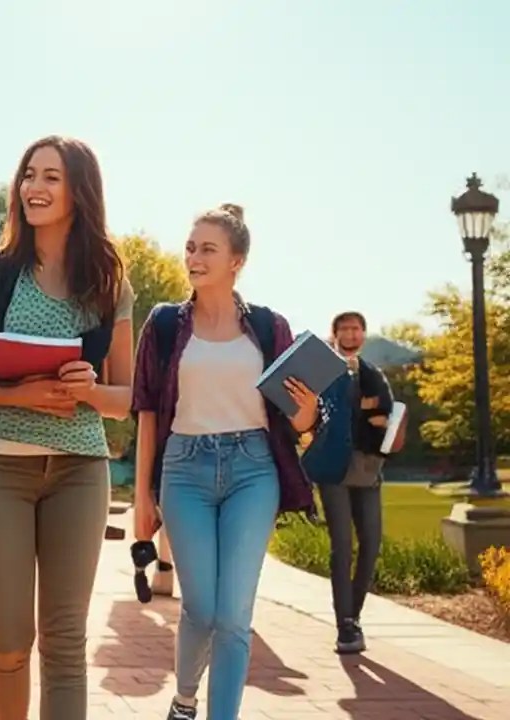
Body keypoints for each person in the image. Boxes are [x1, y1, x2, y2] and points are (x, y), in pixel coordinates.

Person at [0, 135, 135, 720]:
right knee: (9, 641)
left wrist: (88, 390)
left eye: (51, 176)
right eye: (28, 174)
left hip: (80, 470)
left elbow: (124, 400)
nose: (34, 187)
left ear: (80, 191)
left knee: (66, 641)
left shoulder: (110, 284)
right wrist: (17, 391)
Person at [130, 203, 318, 720]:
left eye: (208, 248)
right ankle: (185, 699)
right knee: (201, 609)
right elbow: (146, 410)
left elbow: (299, 422)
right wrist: (141, 495)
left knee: (234, 616)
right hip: (184, 470)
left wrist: (305, 410)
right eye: (191, 247)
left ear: (237, 260)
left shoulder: (268, 327)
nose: (194, 256)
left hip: (253, 469)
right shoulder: (165, 325)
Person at [322, 310, 394, 654]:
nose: (351, 334)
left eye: (356, 329)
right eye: (344, 329)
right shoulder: (322, 369)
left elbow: (386, 414)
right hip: (333, 467)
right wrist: (364, 410)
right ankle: (344, 625)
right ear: (334, 334)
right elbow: (319, 411)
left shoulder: (373, 374)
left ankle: (354, 615)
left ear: (364, 335)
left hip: (368, 468)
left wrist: (364, 411)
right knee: (342, 544)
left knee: (371, 542)